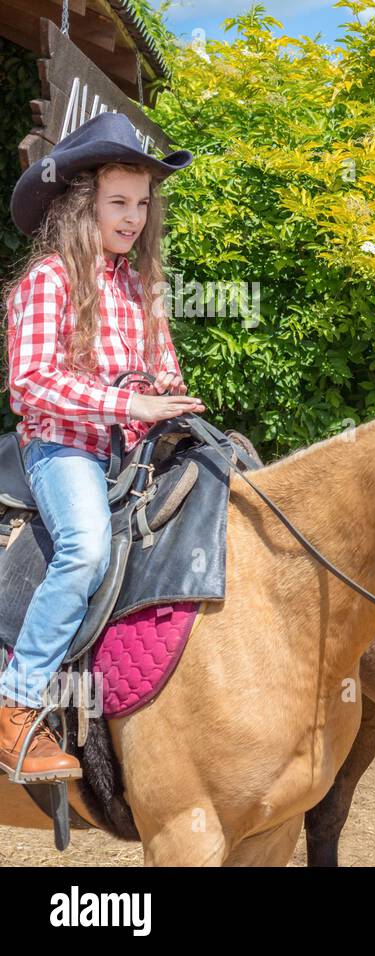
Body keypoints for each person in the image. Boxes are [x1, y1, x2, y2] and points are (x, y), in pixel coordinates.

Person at [2, 112, 204, 778]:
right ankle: (15, 702)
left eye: (142, 204)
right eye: (118, 202)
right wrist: (127, 403)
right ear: (78, 205)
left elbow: (162, 371)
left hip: (132, 449)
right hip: (64, 448)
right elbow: (31, 385)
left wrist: (176, 407)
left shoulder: (139, 286)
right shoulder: (47, 281)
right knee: (86, 548)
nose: (133, 217)